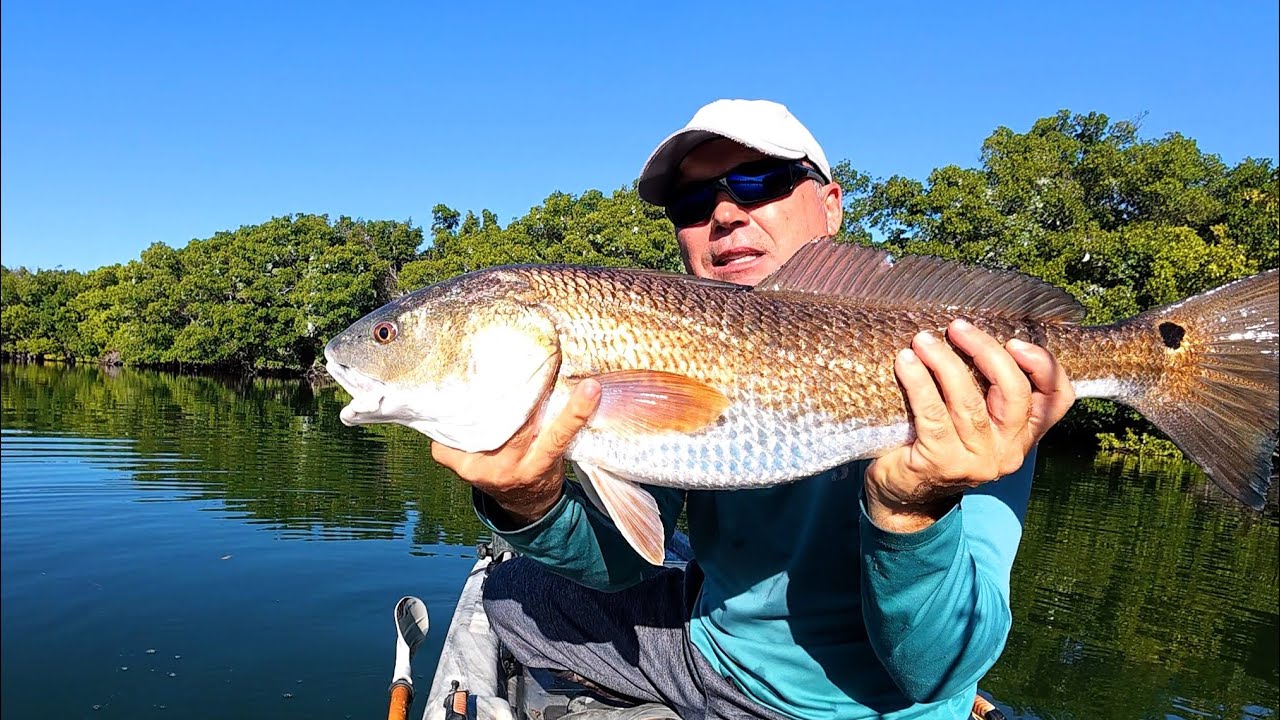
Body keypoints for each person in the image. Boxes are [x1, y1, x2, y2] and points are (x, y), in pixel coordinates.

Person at [431, 99, 1075, 719]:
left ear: (830, 205)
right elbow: (627, 560)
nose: (724, 214)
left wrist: (912, 510)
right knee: (512, 592)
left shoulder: (973, 383)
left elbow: (937, 672)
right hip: (710, 652)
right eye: (691, 202)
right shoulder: (666, 341)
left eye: (758, 181)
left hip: (856, 708)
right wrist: (528, 501)